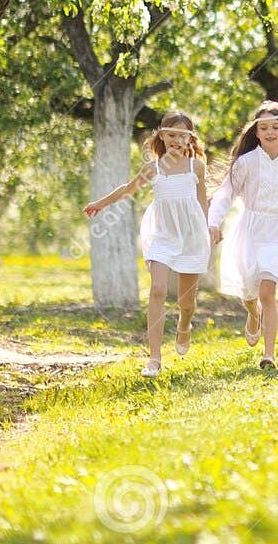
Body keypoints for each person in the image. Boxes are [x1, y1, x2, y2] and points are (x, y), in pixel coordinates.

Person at [85, 112, 210, 377]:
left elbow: (202, 203)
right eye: (172, 134)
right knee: (158, 289)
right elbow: (127, 189)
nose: (177, 140)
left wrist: (207, 233)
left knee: (187, 303)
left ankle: (184, 325)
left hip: (190, 236)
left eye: (182, 135)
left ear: (190, 138)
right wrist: (100, 204)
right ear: (162, 136)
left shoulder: (195, 166)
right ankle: (154, 358)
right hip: (161, 234)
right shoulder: (153, 168)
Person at [208, 101, 278, 370]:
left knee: (268, 289)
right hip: (249, 228)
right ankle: (252, 313)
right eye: (263, 128)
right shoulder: (245, 162)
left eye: (275, 127)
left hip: (277, 230)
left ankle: (269, 354)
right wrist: (213, 223)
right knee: (248, 290)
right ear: (255, 132)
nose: (269, 132)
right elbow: (225, 195)